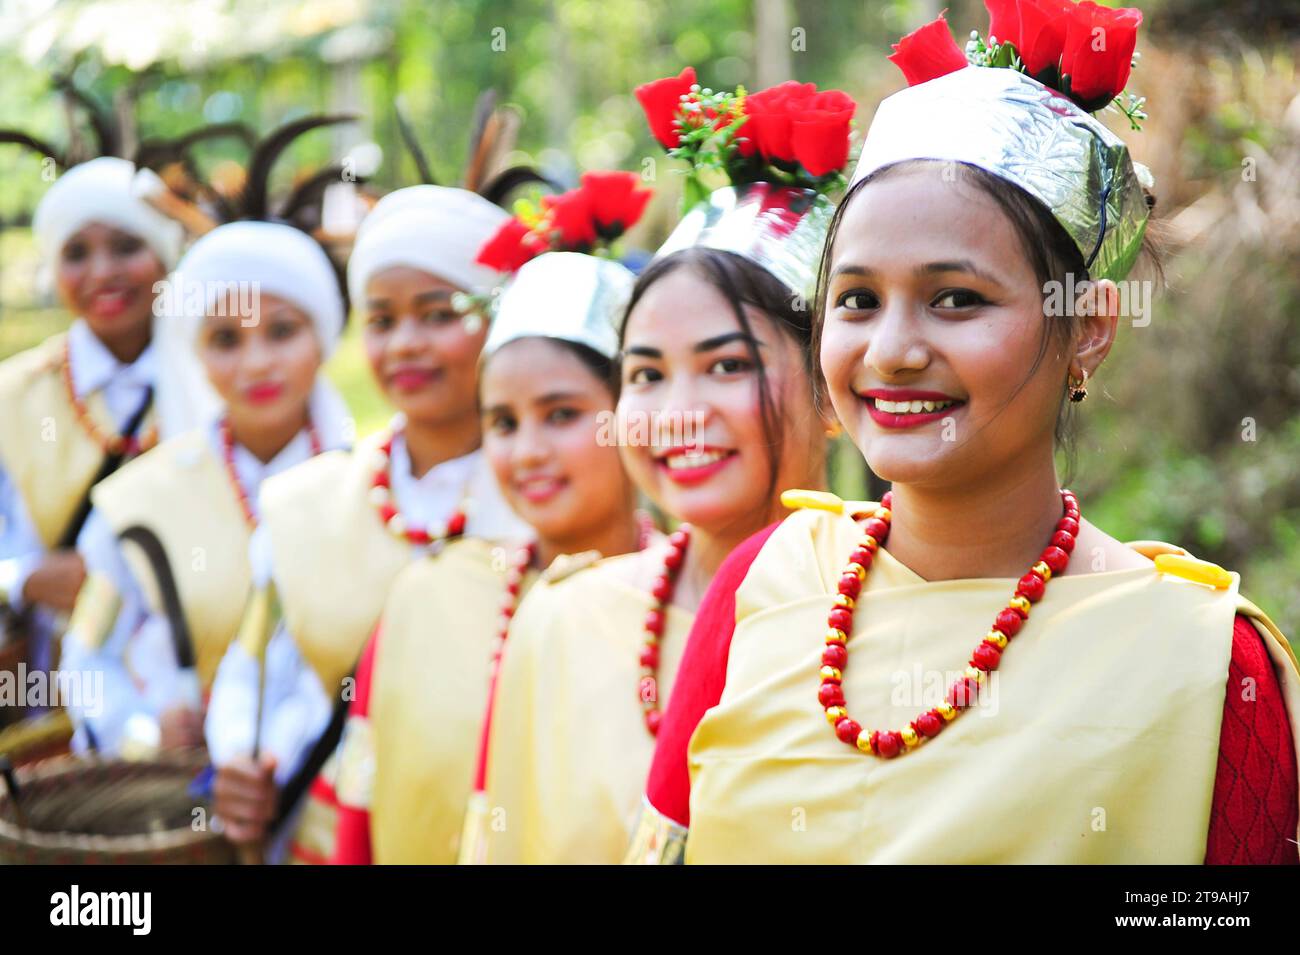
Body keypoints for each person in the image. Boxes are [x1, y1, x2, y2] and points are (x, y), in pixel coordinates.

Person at [630, 11, 1300, 864]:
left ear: (1089, 328)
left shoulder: (1206, 663)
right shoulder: (761, 583)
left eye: (956, 300)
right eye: (857, 300)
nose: (893, 351)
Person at [477, 77, 855, 863]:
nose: (678, 410)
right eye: (646, 374)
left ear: (831, 386)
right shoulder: (562, 619)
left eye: (725, 366)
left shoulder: (899, 622)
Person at [204, 184, 530, 861]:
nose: (406, 343)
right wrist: (239, 752)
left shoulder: (544, 496)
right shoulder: (309, 503)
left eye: (437, 314)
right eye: (382, 320)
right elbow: (257, 664)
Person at [331, 242, 655, 864]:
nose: (527, 451)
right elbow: (360, 817)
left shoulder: (684, 600)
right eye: (503, 423)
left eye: (560, 414)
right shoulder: (428, 592)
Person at [61, 221, 349, 756]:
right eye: (226, 339)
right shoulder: (138, 502)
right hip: (182, 807)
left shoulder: (372, 490)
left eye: (282, 331)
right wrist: (143, 735)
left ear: (323, 337)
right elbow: (86, 655)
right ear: (194, 352)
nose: (257, 362)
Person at [0, 157, 182, 690]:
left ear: (165, 256)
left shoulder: (215, 378)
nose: (103, 272)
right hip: (52, 696)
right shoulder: (12, 395)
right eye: (77, 253)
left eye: (127, 246)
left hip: (197, 693)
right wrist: (25, 579)